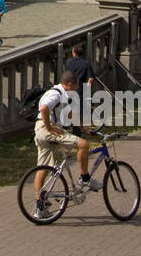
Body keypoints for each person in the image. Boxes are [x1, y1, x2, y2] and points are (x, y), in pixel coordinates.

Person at [31, 71, 101, 213]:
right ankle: (85, 178)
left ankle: (39, 206)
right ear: (69, 84)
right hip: (47, 129)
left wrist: (83, 128)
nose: (75, 91)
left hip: (39, 130)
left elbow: (70, 114)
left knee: (43, 168)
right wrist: (50, 127)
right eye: (75, 88)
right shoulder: (56, 94)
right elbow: (43, 108)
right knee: (83, 145)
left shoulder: (60, 95)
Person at [64, 43, 97, 131]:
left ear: (74, 53)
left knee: (67, 108)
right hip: (80, 88)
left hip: (69, 87)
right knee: (77, 110)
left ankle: (66, 126)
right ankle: (77, 130)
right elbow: (91, 78)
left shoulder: (69, 62)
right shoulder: (86, 64)